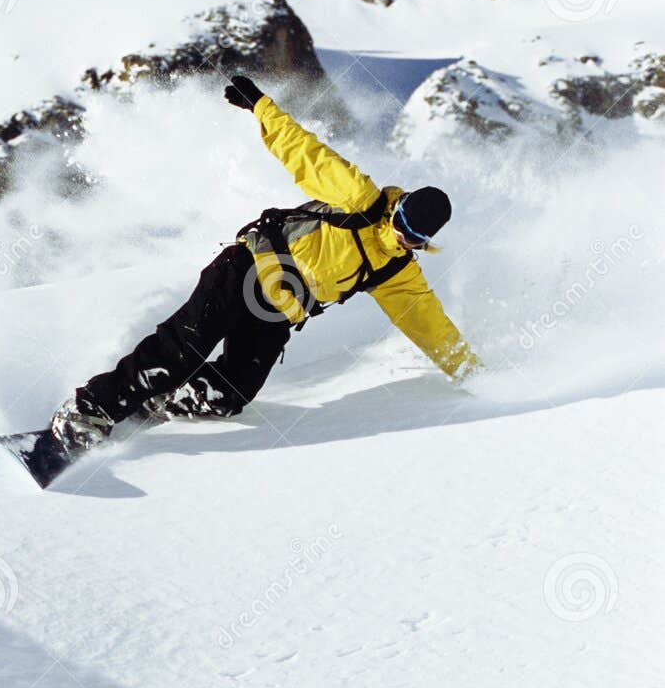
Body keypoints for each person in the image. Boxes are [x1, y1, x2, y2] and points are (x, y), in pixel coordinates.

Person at [50, 75, 479, 456]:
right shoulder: (359, 198)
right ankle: (90, 409)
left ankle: (170, 398)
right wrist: (260, 106)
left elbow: (429, 323)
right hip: (247, 270)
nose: (404, 237)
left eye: (416, 239)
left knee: (233, 393)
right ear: (398, 207)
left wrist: (471, 374)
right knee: (181, 350)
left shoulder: (396, 270)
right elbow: (305, 151)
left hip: (278, 310)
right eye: (403, 223)